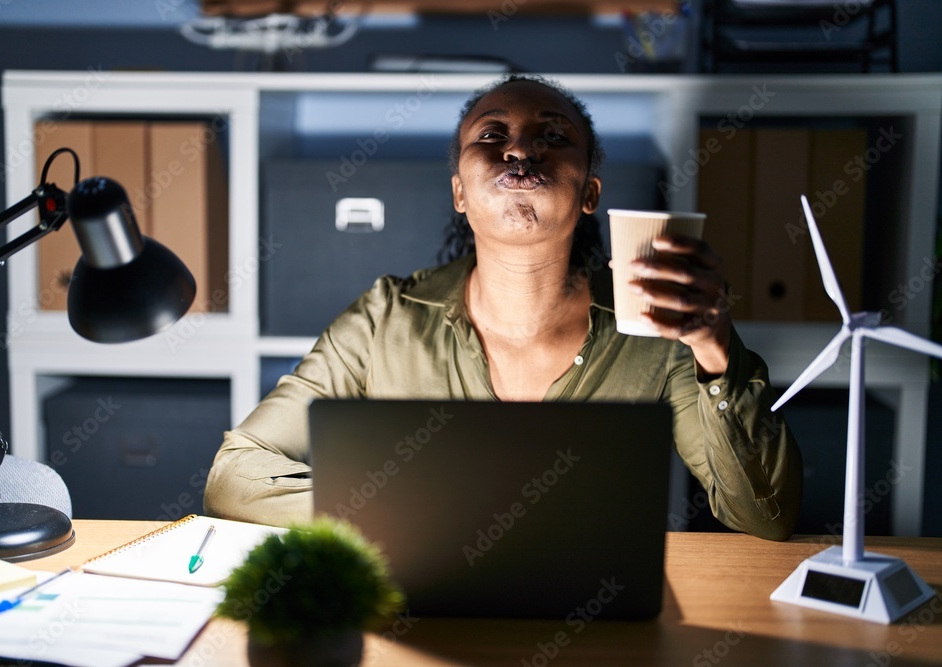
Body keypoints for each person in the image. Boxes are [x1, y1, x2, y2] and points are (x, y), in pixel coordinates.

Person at [204, 74, 803, 541]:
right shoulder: (384, 318)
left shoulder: (658, 330)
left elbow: (766, 516)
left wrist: (715, 353)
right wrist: (398, 515)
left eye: (554, 136)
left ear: (589, 193)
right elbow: (235, 475)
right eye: (492, 136)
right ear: (460, 193)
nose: (521, 150)